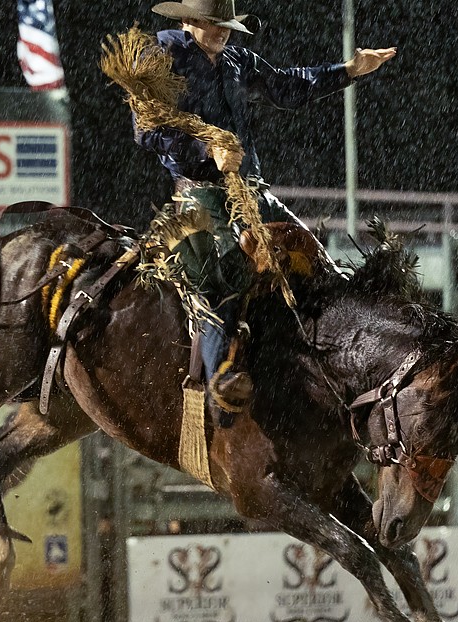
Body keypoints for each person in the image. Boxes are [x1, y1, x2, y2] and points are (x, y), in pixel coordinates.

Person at [138, 0, 396, 419]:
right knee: (221, 280)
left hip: (250, 189)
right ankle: (218, 387)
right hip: (199, 191)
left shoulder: (238, 60)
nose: (222, 32)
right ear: (187, 21)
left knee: (309, 254)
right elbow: (148, 130)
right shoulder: (162, 55)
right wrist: (207, 147)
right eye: (212, 23)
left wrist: (348, 70)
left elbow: (287, 87)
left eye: (225, 25)